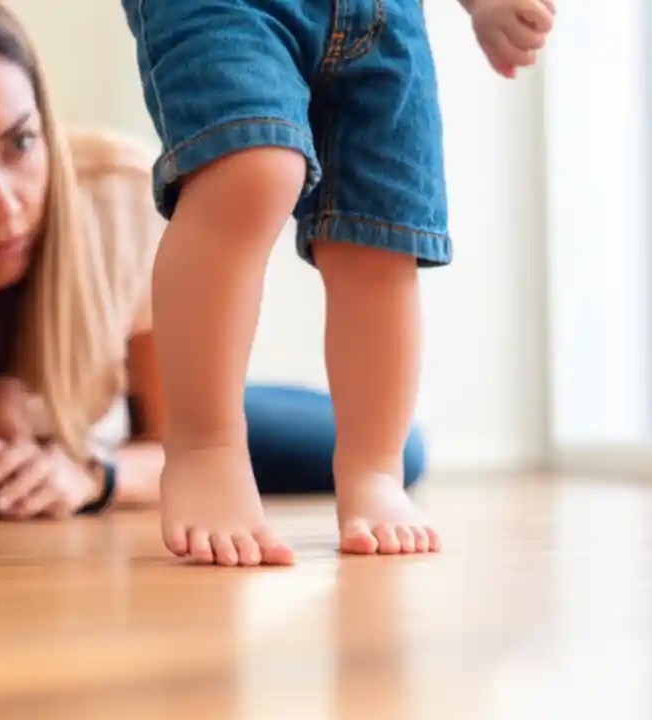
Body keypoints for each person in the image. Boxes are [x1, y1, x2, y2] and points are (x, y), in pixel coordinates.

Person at [0, 0, 429, 537]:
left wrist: (88, 472)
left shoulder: (113, 197)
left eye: (20, 143)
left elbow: (170, 435)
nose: (3, 208)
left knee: (403, 447)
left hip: (117, 432)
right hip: (5, 431)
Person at [116, 0, 554, 563]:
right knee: (252, 168)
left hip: (385, 16)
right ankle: (204, 447)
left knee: (382, 235)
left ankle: (375, 470)